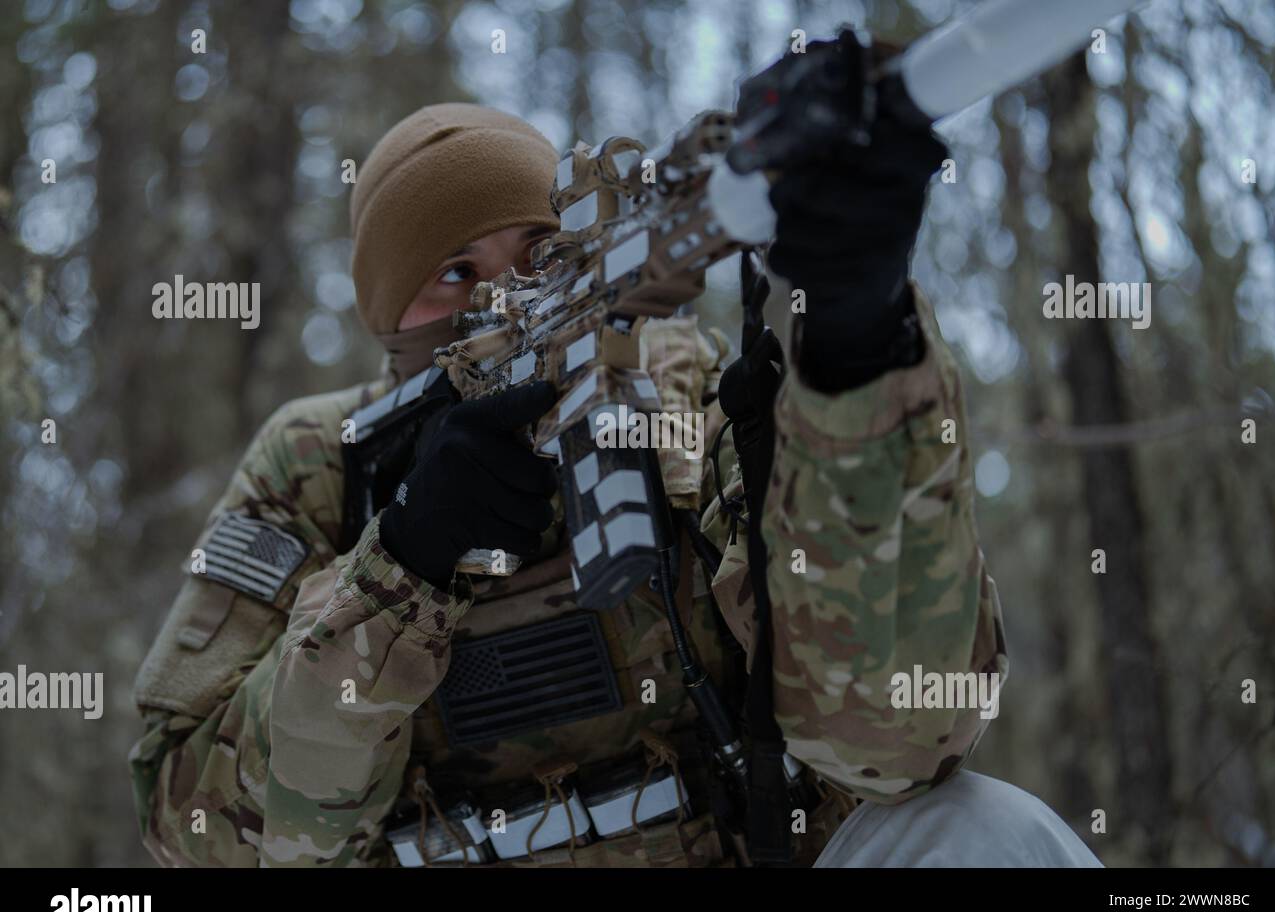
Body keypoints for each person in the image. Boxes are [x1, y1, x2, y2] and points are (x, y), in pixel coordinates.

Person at [127, 99, 1036, 868]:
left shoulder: (681, 389)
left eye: (541, 254)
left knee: (982, 831)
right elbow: (190, 829)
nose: (509, 298)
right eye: (456, 273)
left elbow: (908, 739)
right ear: (388, 315)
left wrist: (854, 363)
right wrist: (398, 569)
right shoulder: (321, 462)